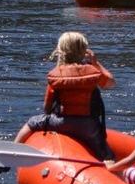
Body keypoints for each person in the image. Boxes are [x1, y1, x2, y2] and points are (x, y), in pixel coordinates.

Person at [11, 32, 116, 163]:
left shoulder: (56, 74)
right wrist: (96, 63)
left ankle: (13, 151)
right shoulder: (93, 72)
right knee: (107, 155)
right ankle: (111, 167)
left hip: (61, 123)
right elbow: (110, 82)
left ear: (61, 51)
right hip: (88, 126)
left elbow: (47, 107)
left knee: (32, 122)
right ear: (84, 51)